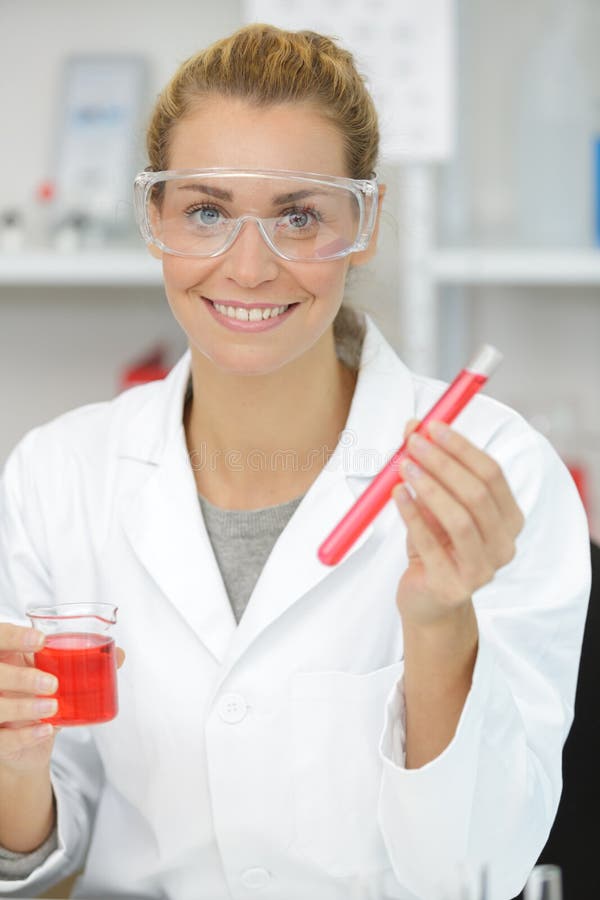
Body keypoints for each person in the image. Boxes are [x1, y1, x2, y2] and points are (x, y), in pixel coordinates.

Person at [0, 23, 591, 900]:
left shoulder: (496, 467)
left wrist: (439, 625)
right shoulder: (60, 472)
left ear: (368, 223)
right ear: (152, 218)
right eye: (206, 211)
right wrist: (15, 758)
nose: (247, 266)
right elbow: (47, 845)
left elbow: (480, 870)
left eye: (298, 216)